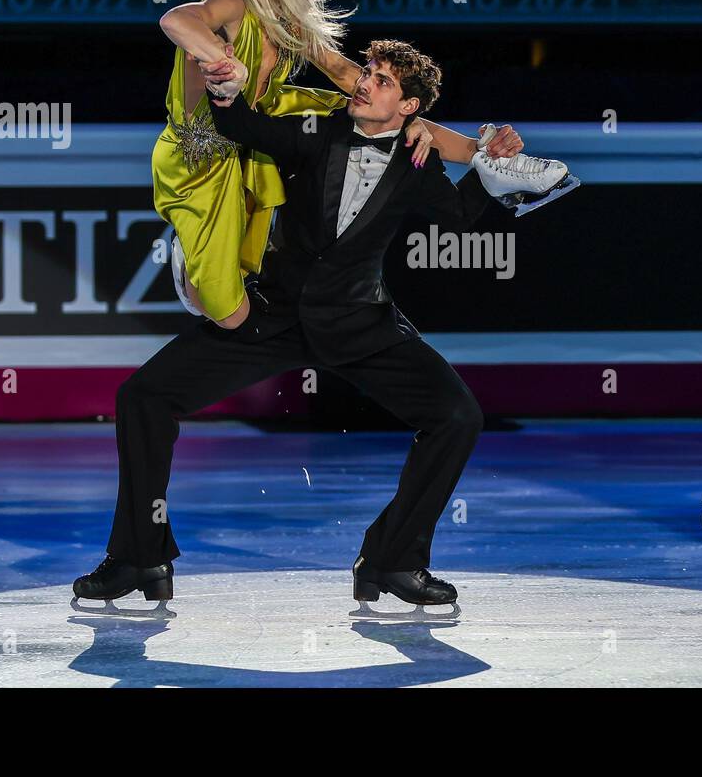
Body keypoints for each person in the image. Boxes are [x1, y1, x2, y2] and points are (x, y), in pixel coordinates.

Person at [74, 39, 508, 611]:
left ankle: (395, 560)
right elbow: (245, 128)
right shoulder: (318, 129)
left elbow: (458, 212)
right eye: (367, 72)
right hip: (274, 315)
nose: (363, 83)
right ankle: (138, 556)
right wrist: (224, 87)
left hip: (361, 323)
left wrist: (490, 162)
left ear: (409, 108)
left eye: (380, 81)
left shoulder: (416, 160)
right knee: (143, 397)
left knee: (457, 416)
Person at [156, 0, 577, 330]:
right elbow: (175, 21)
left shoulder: (287, 19)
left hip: (258, 125)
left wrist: (404, 119)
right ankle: (190, 265)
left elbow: (342, 72)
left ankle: (485, 154)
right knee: (225, 315)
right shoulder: (233, 3)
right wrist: (226, 64)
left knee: (372, 106)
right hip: (202, 153)